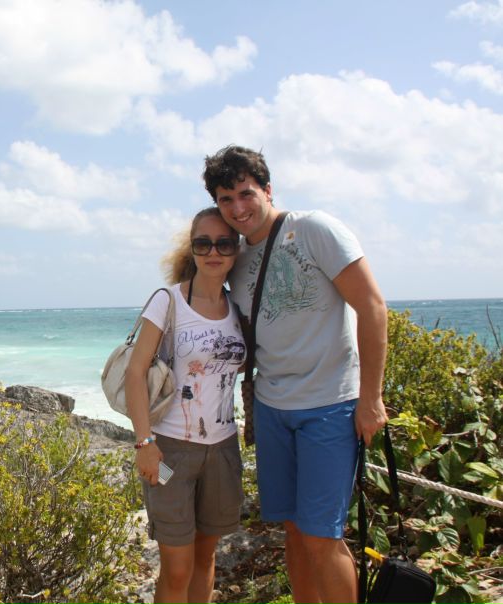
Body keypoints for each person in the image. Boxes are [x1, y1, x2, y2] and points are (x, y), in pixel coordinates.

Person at [202, 145, 388, 604]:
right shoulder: (236, 259)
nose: (238, 209)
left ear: (268, 190)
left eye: (246, 194)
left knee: (323, 536)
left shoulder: (314, 230)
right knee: (293, 531)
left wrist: (371, 399)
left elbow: (372, 307)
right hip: (272, 409)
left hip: (329, 406)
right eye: (226, 200)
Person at [125, 207, 246, 604]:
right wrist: (144, 443)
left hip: (223, 448)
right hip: (169, 450)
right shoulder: (169, 301)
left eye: (223, 244)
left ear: (236, 249)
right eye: (203, 243)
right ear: (191, 248)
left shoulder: (238, 307)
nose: (213, 252)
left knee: (206, 557)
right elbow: (135, 373)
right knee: (177, 567)